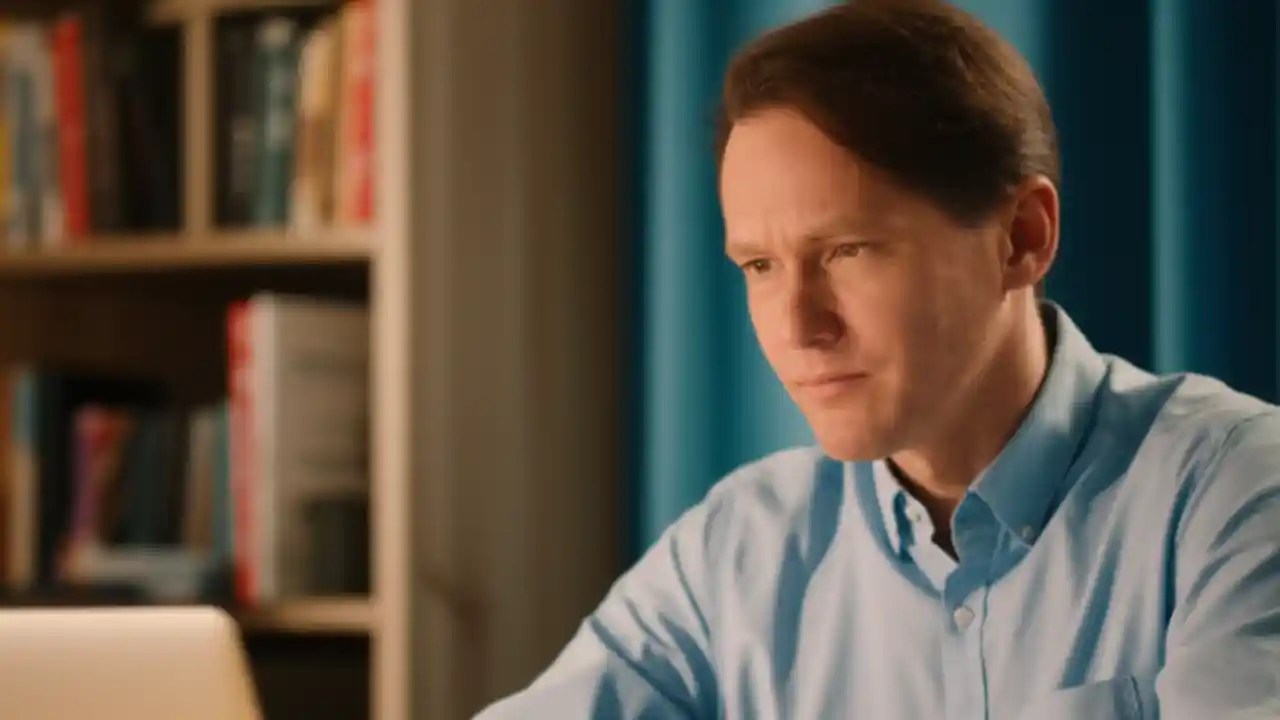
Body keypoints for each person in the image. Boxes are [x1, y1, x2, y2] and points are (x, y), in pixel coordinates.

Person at [477, 1, 1280, 717]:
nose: (797, 325)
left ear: (1022, 239)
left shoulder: (1236, 496)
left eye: (849, 250)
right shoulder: (736, 551)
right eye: (759, 266)